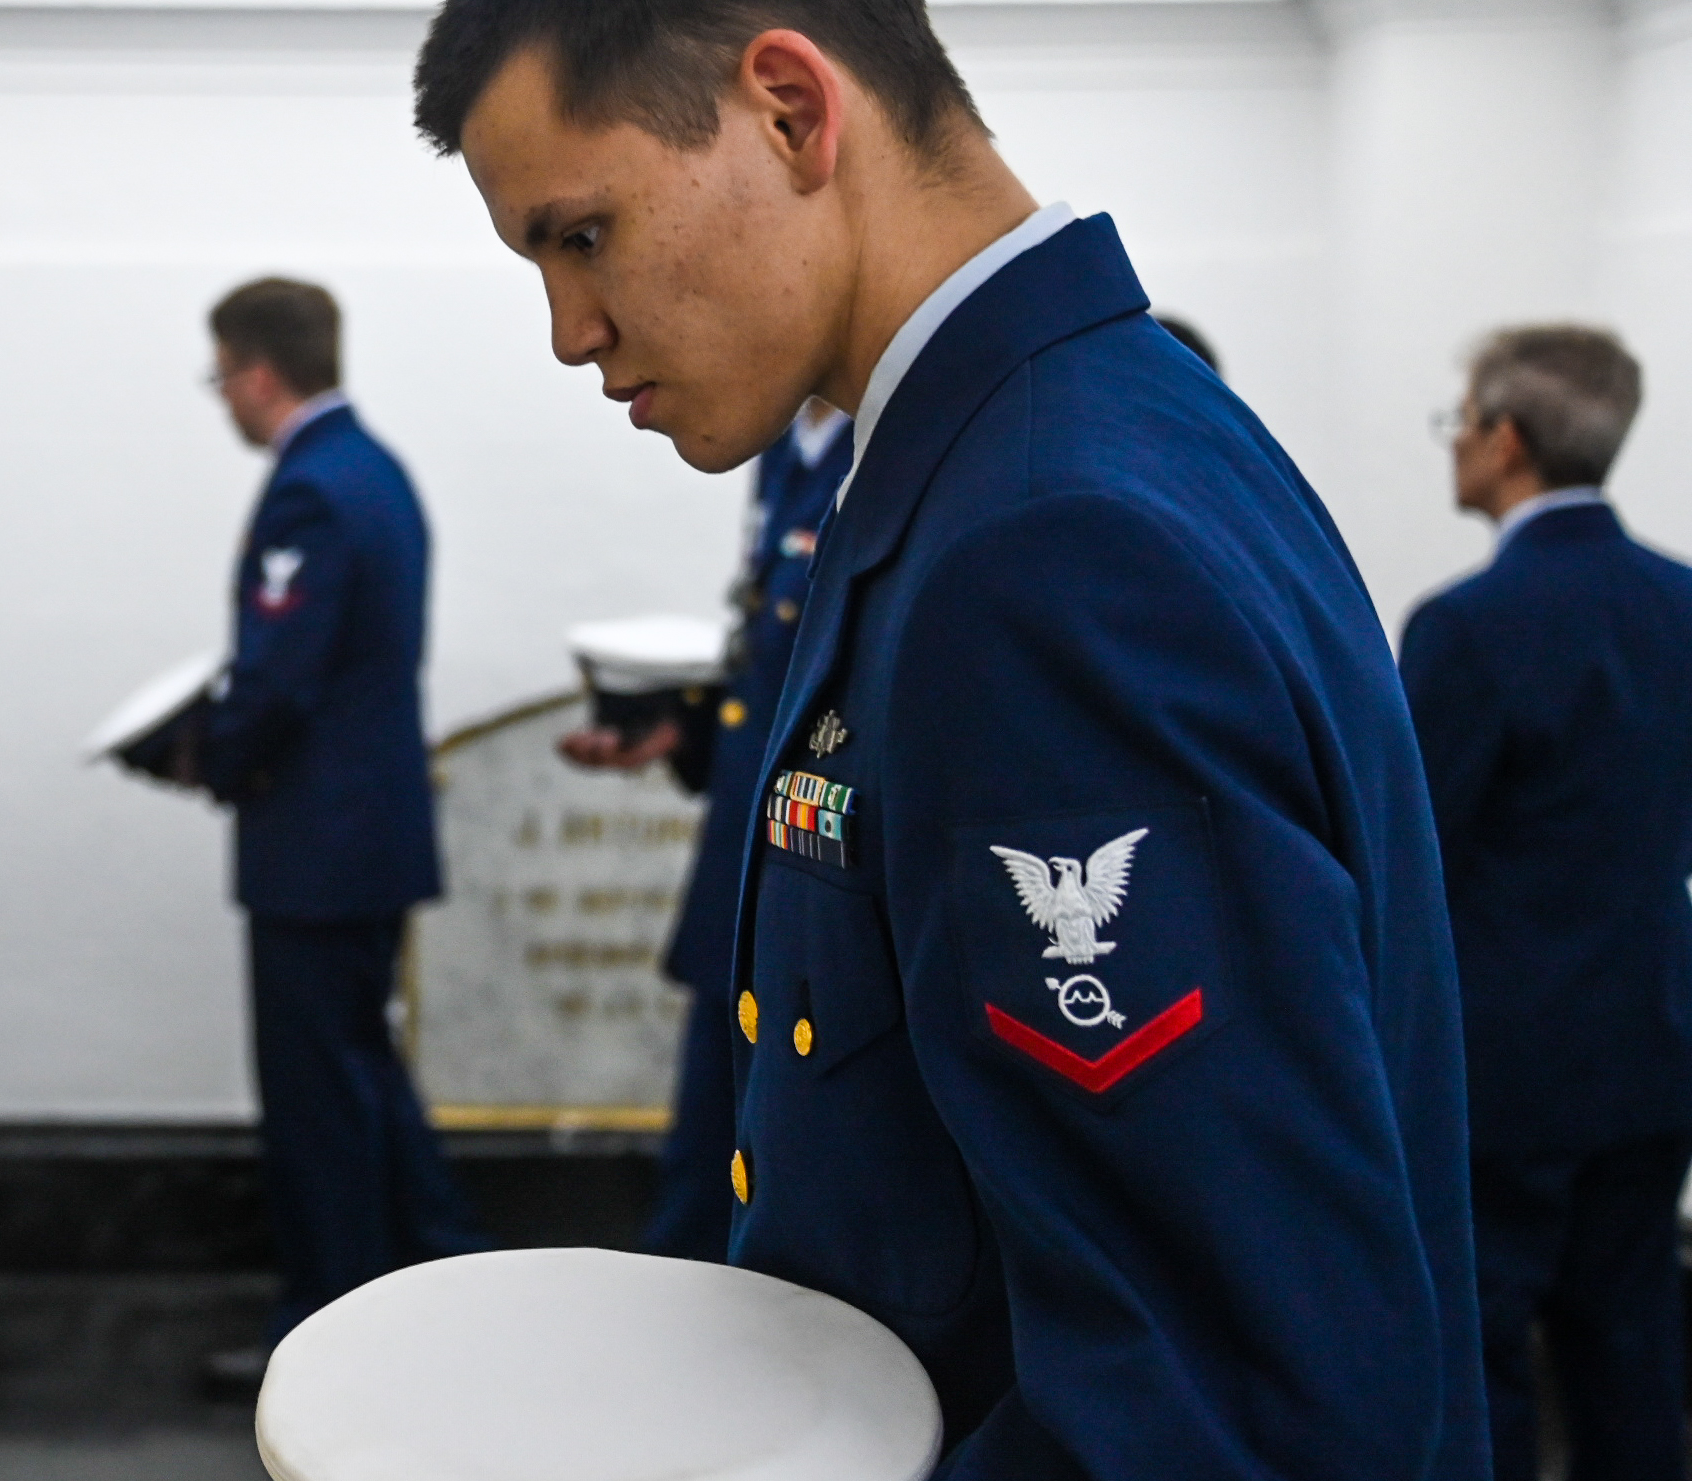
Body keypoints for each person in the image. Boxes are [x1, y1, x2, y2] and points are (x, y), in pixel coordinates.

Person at [413, 3, 1488, 1475]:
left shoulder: (1045, 547)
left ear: (790, 109)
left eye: (581, 235)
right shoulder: (1056, 437)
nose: (567, 331)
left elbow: (1225, 1411)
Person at [1400, 326, 1692, 1481]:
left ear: (1506, 440)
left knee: (1486, 1358)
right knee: (1629, 1348)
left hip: (1506, 1069)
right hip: (1653, 1041)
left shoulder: (1463, 628)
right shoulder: (1680, 604)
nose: (1455, 445)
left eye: (1461, 420)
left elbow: (1412, 856)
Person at [193, 277, 485, 1367]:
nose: (222, 397)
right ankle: (440, 1279)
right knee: (363, 1074)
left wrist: (207, 756)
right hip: (364, 834)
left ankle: (324, 1339)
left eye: (220, 377)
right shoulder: (376, 469)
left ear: (259, 375)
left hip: (317, 846)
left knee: (322, 1099)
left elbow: (279, 677)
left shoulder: (311, 488)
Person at [561, 397, 853, 1262]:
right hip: (743, 855)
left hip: (808, 888)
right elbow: (766, 666)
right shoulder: (786, 448)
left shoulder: (877, 448)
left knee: (772, 1173)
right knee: (711, 1147)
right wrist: (682, 734)